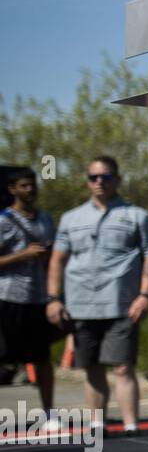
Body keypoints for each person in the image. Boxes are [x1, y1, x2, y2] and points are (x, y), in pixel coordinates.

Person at [45, 156, 148, 435]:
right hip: (81, 306)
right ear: (87, 181)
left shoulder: (137, 216)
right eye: (93, 177)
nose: (99, 182)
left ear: (117, 180)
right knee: (92, 368)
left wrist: (145, 295)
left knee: (122, 367)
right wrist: (53, 298)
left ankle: (132, 427)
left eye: (106, 177)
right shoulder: (72, 218)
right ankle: (98, 424)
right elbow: (57, 260)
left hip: (122, 305)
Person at [0, 167, 58, 419]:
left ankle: (48, 413)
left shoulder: (45, 219)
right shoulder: (3, 220)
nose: (30, 190)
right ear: (13, 189)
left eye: (33, 185)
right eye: (24, 185)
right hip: (8, 298)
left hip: (37, 298)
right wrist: (22, 255)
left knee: (42, 358)